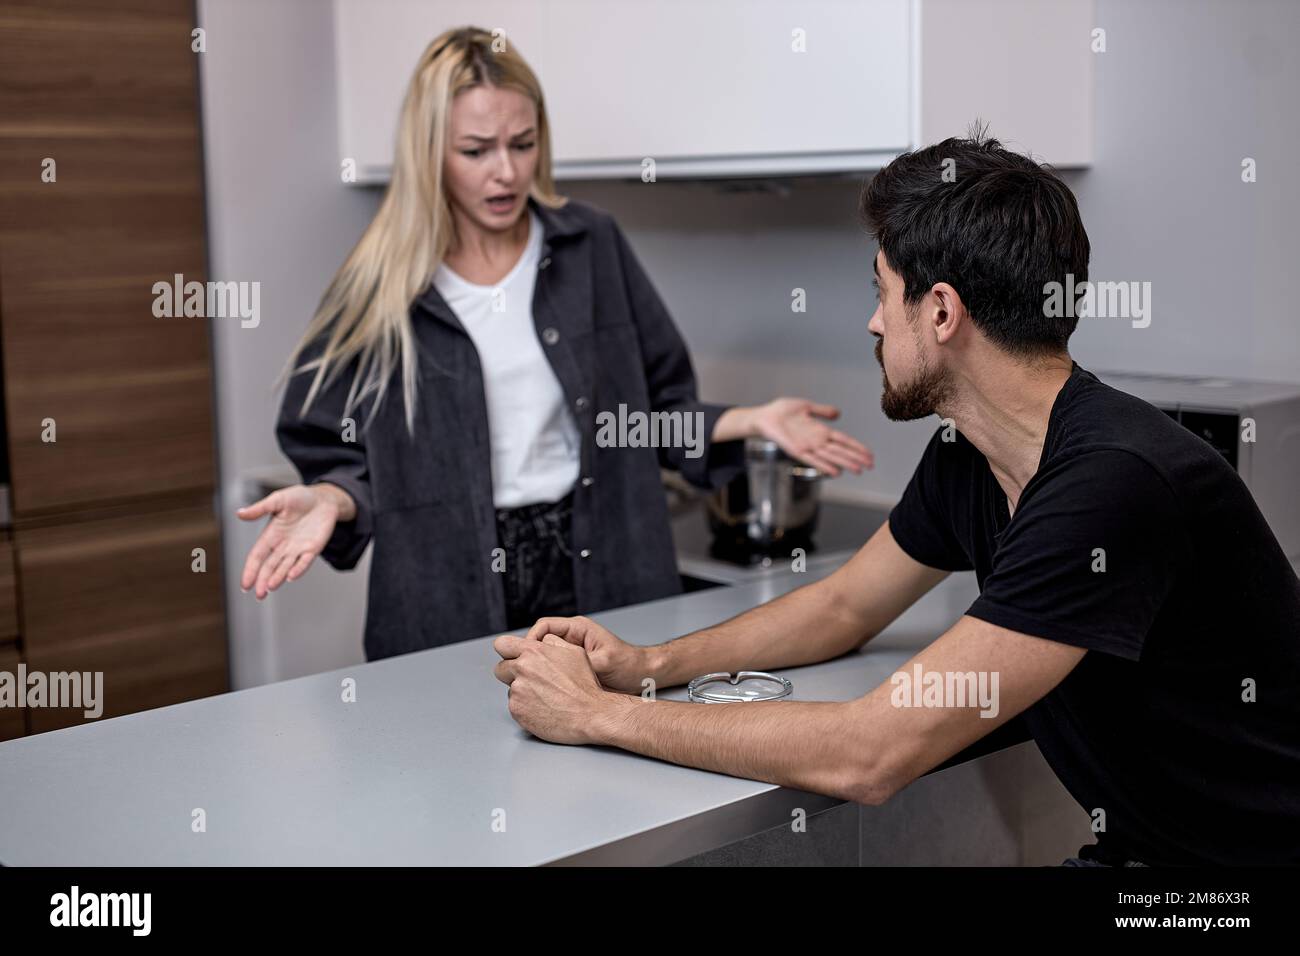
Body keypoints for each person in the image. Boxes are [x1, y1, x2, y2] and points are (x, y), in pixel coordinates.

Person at [493, 130, 1300, 866]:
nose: (874, 323)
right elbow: (845, 606)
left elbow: (870, 752)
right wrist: (646, 666)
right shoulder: (972, 449)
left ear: (941, 311)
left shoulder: (1112, 483)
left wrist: (597, 717)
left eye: (882, 292)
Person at [236, 27, 872, 660]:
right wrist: (331, 495)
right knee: (446, 750)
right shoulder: (379, 285)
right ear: (429, 151)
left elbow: (650, 419)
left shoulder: (591, 246)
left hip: (602, 564)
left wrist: (750, 420)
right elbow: (332, 444)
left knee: (621, 744)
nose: (507, 172)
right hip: (443, 592)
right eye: (476, 150)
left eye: (523, 143)